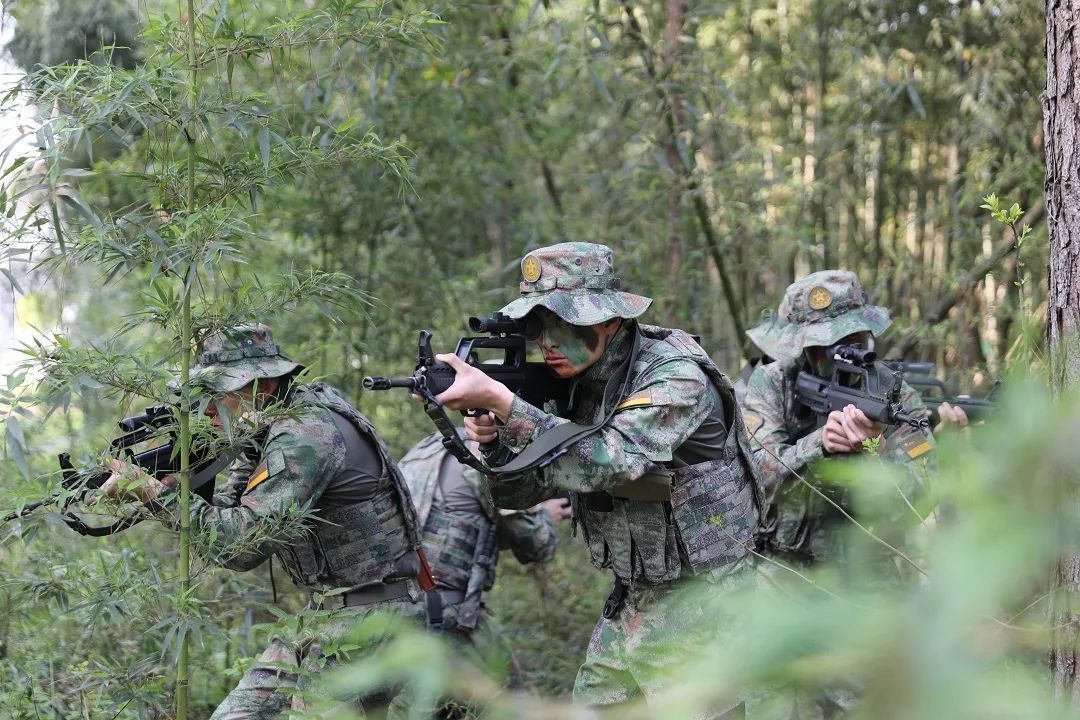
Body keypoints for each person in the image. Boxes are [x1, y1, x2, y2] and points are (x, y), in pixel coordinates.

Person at [432, 242, 762, 718]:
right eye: (536, 325)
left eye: (561, 323)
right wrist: (495, 443)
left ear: (609, 321)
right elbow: (525, 490)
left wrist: (510, 407)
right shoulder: (582, 384)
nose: (545, 341)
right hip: (632, 599)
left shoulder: (674, 377)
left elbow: (610, 463)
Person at [100, 324, 431, 718]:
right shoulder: (269, 424)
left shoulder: (306, 432)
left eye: (216, 394)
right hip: (327, 613)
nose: (205, 408)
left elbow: (242, 545)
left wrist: (157, 496)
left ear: (264, 386)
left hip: (372, 620)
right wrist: (167, 488)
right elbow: (236, 505)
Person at [397, 433, 570, 685]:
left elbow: (458, 520)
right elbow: (537, 545)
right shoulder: (488, 460)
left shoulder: (424, 448)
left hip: (400, 608)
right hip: (448, 611)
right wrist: (545, 516)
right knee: (512, 702)